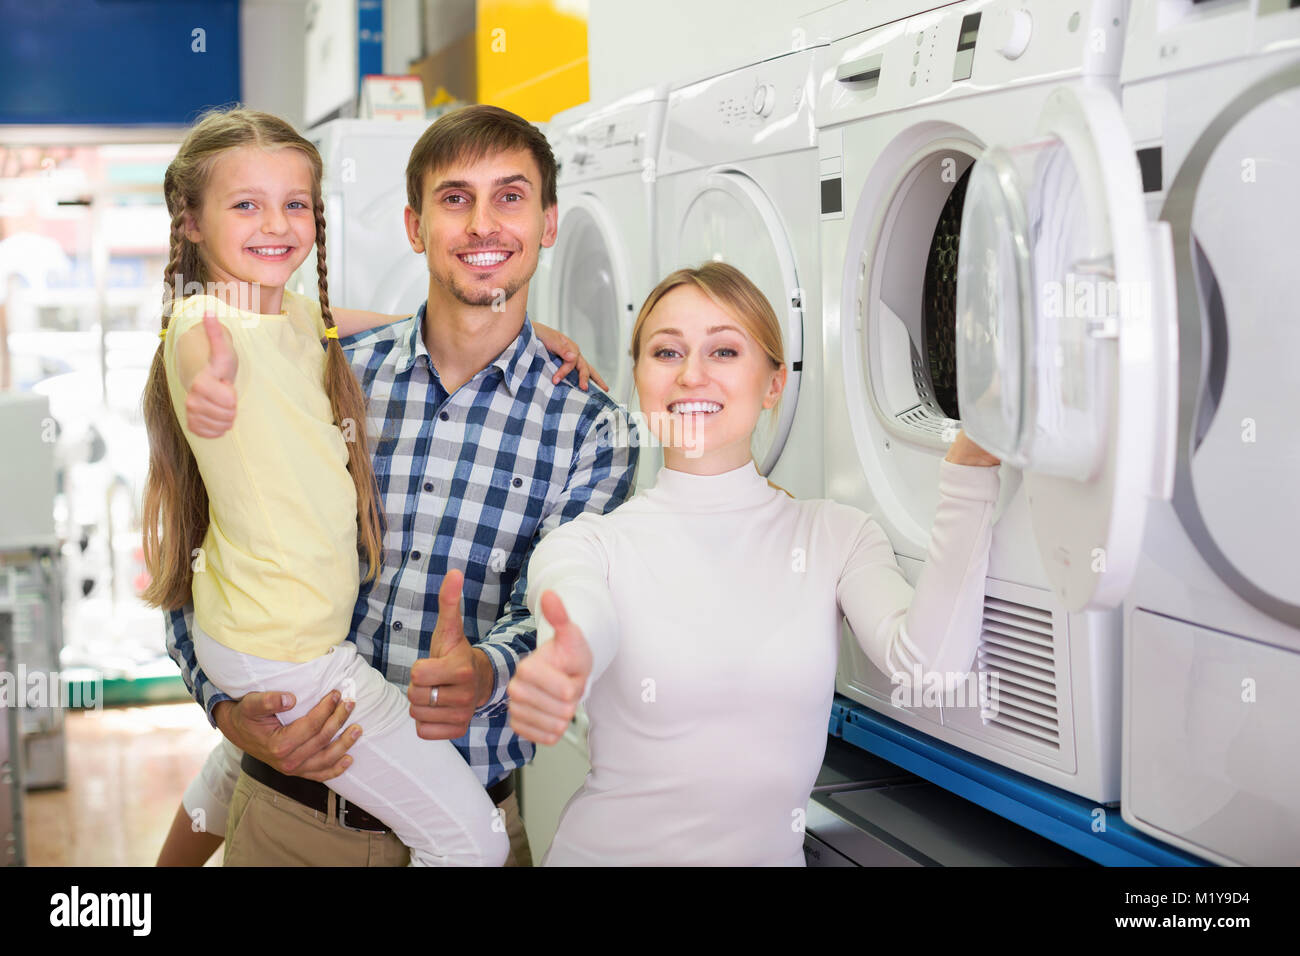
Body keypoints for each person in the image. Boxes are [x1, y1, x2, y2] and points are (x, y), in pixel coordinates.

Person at [154, 105, 636, 866]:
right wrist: (221, 709)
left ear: (548, 223)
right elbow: (199, 550)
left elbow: (566, 608)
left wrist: (486, 670)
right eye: (455, 199)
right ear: (415, 226)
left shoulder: (597, 429)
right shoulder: (333, 370)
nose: (483, 225)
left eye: (510, 197)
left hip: (469, 809)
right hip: (291, 818)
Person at [506, 261, 1002, 866]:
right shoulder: (590, 544)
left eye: (723, 351)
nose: (691, 375)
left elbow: (930, 665)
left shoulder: (834, 536)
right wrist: (566, 657)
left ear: (773, 384)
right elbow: (579, 613)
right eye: (666, 353)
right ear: (639, 381)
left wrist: (972, 465)